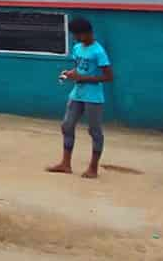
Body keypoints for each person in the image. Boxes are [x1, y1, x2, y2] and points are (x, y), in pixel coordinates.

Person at [46, 17, 114, 179]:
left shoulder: (98, 51)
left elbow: (108, 77)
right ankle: (65, 163)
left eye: (77, 35)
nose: (75, 38)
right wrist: (70, 73)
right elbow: (79, 67)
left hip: (93, 97)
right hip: (77, 93)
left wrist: (84, 79)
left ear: (87, 33)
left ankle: (93, 167)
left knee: (94, 130)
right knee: (67, 126)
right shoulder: (77, 48)